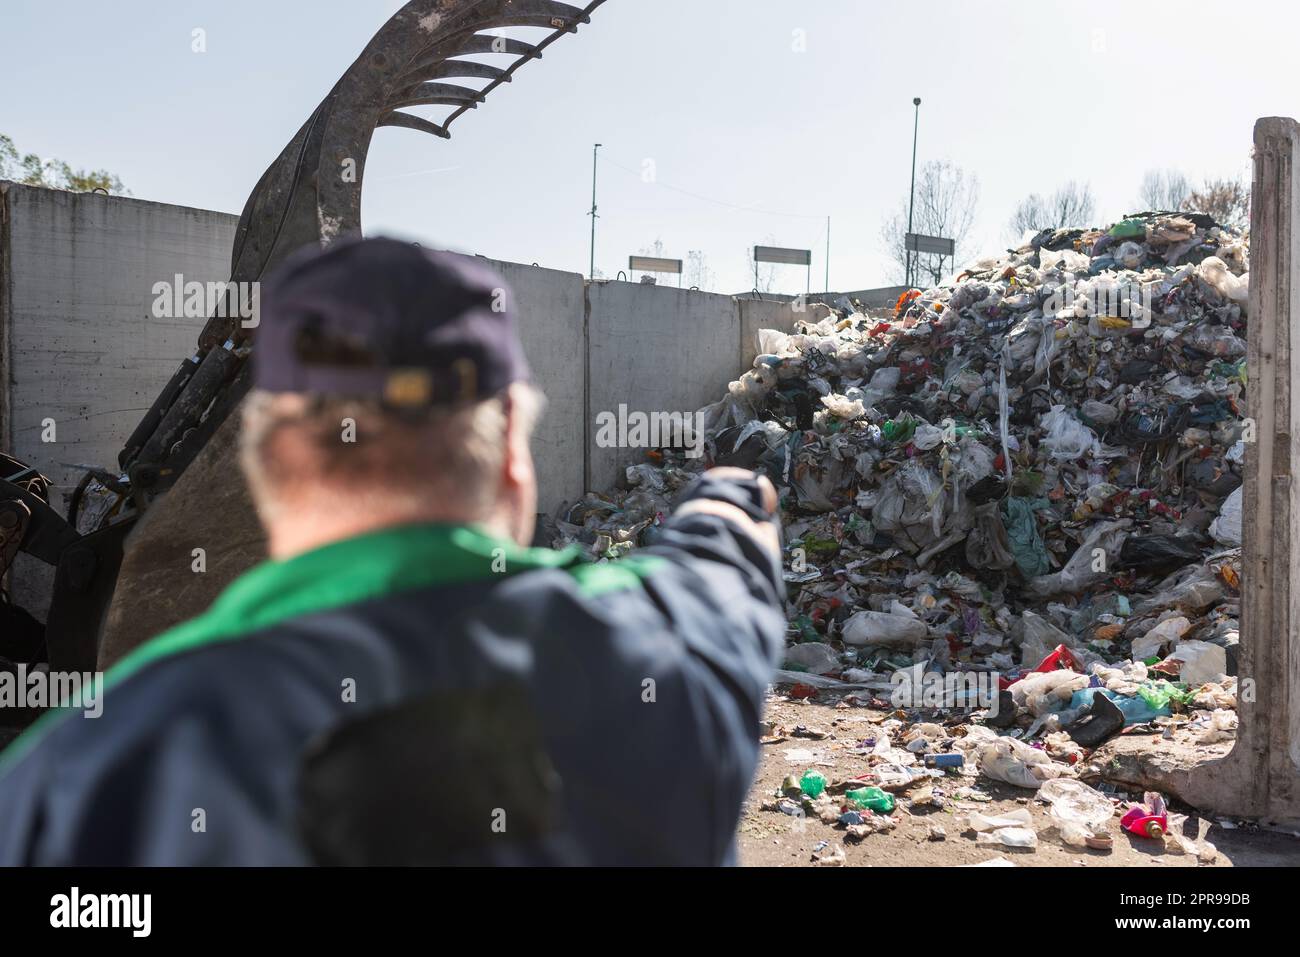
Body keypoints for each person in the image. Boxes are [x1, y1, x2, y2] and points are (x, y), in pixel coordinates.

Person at [0, 237, 786, 865]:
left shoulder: (72, 779)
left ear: (265, 464)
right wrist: (732, 488)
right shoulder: (669, 662)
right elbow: (726, 559)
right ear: (513, 445)